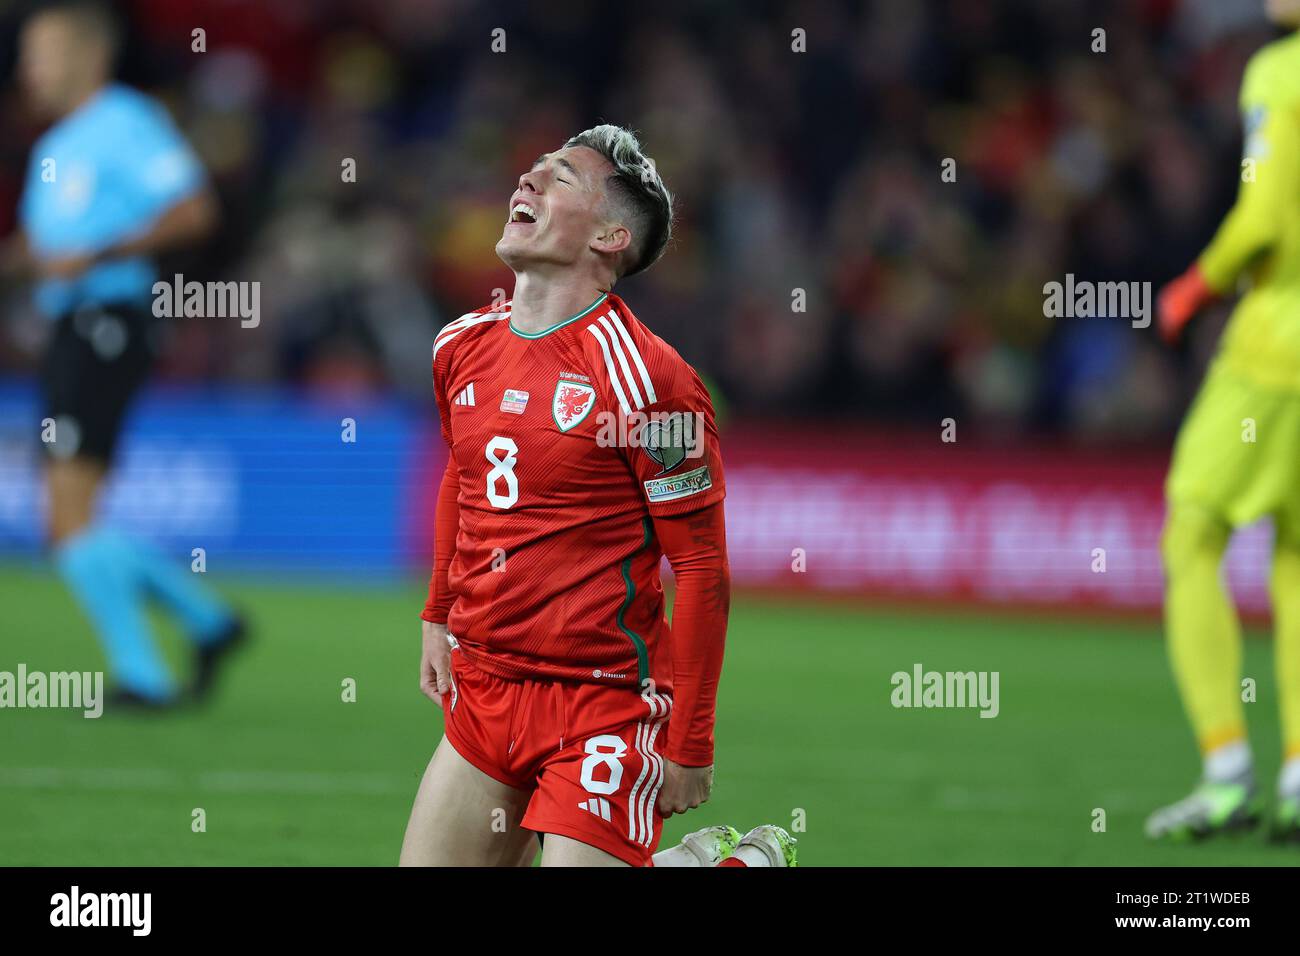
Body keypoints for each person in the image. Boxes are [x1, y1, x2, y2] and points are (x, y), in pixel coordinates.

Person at [399, 125, 793, 866]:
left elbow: (703, 567)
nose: (527, 182)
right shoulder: (458, 345)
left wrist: (691, 743)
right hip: (485, 692)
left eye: (559, 178)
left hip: (604, 705)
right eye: (531, 170)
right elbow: (465, 472)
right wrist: (438, 612)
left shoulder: (655, 381)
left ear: (612, 234)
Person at [5, 1, 244, 708]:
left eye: (40, 51)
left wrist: (101, 253)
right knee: (69, 519)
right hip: (68, 327)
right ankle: (206, 619)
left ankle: (144, 671)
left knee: (67, 518)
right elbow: (49, 252)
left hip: (107, 323)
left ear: (87, 53)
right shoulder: (57, 145)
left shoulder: (128, 123)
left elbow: (194, 210)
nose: (27, 68)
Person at [1149, 0, 1300, 841]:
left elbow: (1267, 219)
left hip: (1278, 349)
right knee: (1296, 555)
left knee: (1192, 534)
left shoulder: (1281, 71)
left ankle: (1226, 770)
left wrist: (1194, 286)